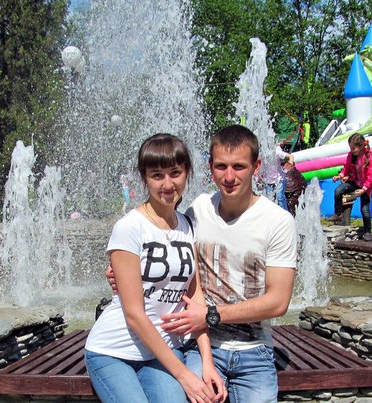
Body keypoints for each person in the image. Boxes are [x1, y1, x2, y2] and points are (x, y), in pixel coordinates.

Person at [110, 125, 298, 402]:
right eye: (221, 166)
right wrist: (122, 270)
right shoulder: (197, 210)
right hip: (199, 346)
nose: (229, 176)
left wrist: (211, 314)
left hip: (254, 350)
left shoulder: (278, 222)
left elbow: (278, 302)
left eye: (239, 166)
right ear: (210, 167)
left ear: (256, 167)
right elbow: (162, 249)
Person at [85, 134, 226, 403]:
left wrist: (207, 362)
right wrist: (185, 376)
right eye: (157, 175)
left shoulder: (187, 226)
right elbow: (134, 315)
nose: (168, 184)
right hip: (113, 351)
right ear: (145, 178)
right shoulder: (130, 228)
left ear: (187, 173)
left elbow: (195, 300)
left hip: (163, 351)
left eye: (175, 173)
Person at [329, 133, 372, 241]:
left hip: (366, 186)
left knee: (364, 209)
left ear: (361, 146)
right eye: (350, 148)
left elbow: (371, 177)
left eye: (353, 148)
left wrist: (364, 189)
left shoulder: (369, 158)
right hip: (355, 182)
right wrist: (340, 175)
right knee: (339, 190)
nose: (352, 150)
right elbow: (346, 167)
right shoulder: (351, 155)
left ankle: (367, 231)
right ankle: (338, 213)